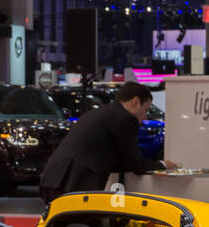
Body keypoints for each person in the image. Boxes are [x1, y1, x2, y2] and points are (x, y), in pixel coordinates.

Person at [39, 80, 176, 202]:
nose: (145, 117)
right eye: (145, 110)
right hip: (76, 182)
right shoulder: (124, 118)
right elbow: (135, 164)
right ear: (135, 102)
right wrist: (163, 165)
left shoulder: (101, 113)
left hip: (54, 177)